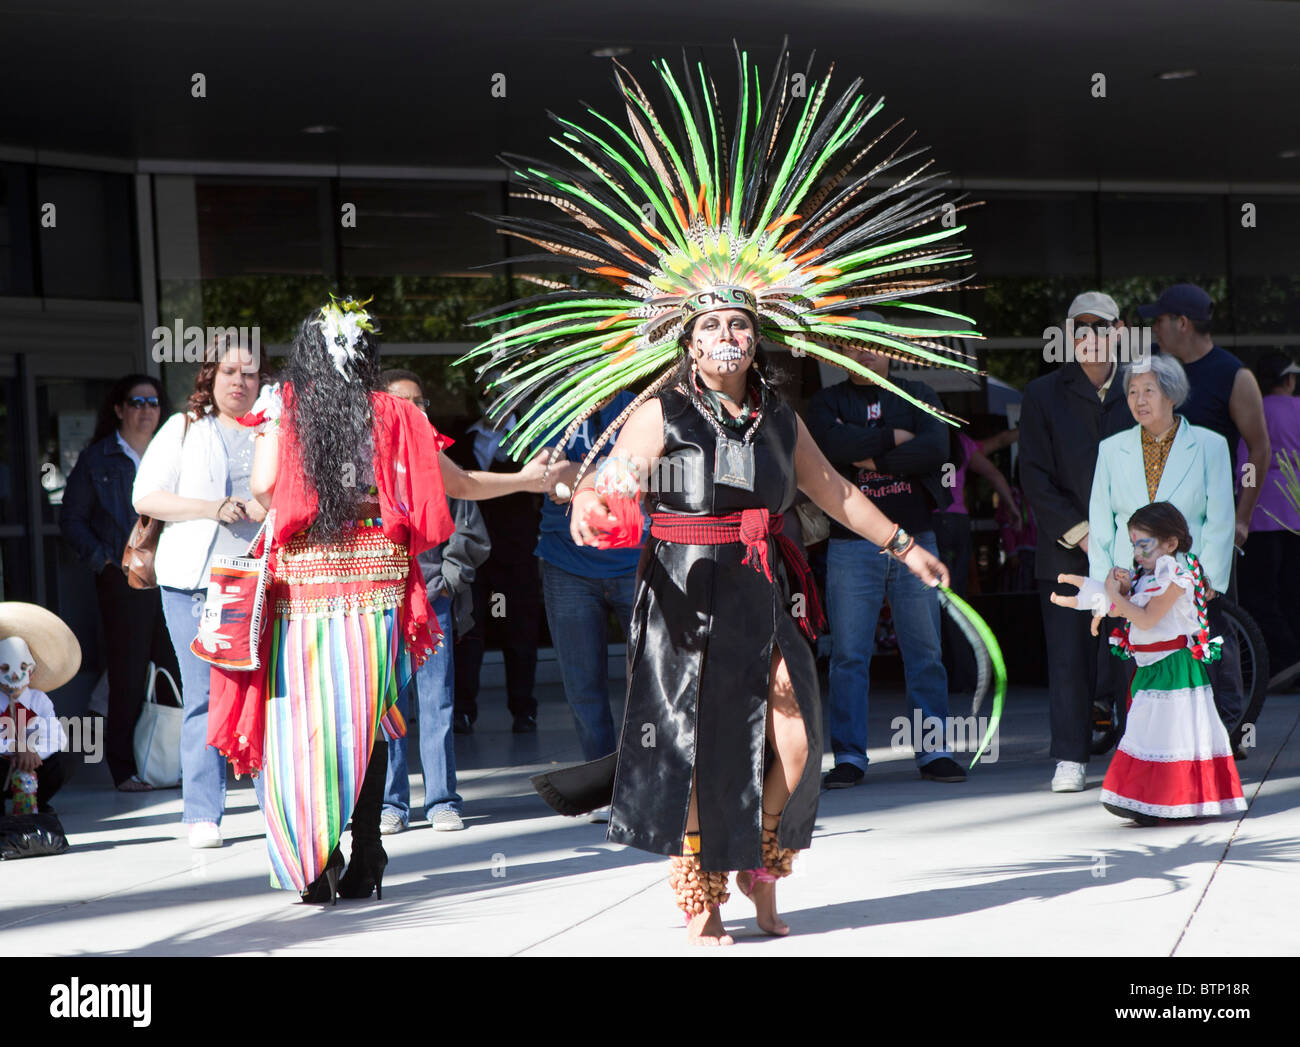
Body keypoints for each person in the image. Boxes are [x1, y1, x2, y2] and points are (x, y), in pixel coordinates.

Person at [465, 46, 976, 945]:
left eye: (740, 322)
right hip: (680, 589)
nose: (729, 335)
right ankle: (707, 894)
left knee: (793, 735)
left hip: (756, 589)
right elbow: (614, 480)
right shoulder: (661, 410)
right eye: (712, 326)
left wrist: (906, 546)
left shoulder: (782, 417)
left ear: (756, 336)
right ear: (690, 344)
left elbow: (834, 494)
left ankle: (764, 860)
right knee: (698, 750)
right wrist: (592, 501)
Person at [233, 298, 548, 904]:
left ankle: (320, 856)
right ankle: (368, 851)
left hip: (304, 588)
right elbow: (455, 485)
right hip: (375, 582)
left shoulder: (286, 410)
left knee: (308, 721)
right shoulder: (396, 414)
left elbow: (265, 489)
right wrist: (528, 479)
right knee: (369, 716)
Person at [806, 334, 968, 786]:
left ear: (891, 351)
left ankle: (933, 750)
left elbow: (936, 449)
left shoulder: (919, 396)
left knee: (926, 653)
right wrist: (894, 442)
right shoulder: (825, 402)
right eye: (852, 346)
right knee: (848, 656)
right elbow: (828, 452)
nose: (862, 353)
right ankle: (850, 759)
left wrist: (868, 456)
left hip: (919, 539)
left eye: (872, 345)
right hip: (850, 543)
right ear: (839, 354)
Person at [132, 334, 265, 848]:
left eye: (250, 373)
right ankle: (202, 813)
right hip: (195, 583)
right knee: (204, 698)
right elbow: (147, 495)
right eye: (229, 372)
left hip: (259, 580)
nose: (239, 381)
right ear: (209, 377)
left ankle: (275, 800)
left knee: (263, 692)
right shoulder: (184, 427)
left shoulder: (275, 430)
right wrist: (211, 507)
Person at [1053, 503, 1246, 823]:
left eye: (1144, 544)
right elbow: (1122, 609)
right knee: (1146, 735)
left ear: (1171, 544)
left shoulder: (1176, 577)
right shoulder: (1147, 578)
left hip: (1174, 670)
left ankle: (1166, 800)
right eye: (1133, 545)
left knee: (1167, 736)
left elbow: (1146, 617)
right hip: (1151, 668)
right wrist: (1095, 595)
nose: (1137, 552)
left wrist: (1115, 595)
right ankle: (1142, 798)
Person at [1140, 283, 1269, 736]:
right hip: (1156, 525)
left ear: (1182, 323)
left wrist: (1242, 516)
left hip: (1211, 523)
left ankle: (1230, 729)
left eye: (1158, 321)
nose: (1153, 330)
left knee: (1215, 622)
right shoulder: (1155, 374)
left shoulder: (1234, 375)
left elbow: (1259, 449)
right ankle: (1172, 731)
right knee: (1157, 620)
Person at [1020, 292, 1136, 793]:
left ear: (1118, 332)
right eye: (1080, 327)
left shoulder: (1139, 388)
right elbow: (1035, 477)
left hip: (1135, 550)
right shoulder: (1043, 393)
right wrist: (1086, 536)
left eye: (1100, 326)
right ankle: (1071, 756)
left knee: (1132, 654)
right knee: (1070, 656)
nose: (1089, 336)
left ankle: (1137, 754)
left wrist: (1135, 540)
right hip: (1069, 549)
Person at [378, 369, 490, 835]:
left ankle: (442, 799)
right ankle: (391, 804)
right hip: (381, 600)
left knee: (438, 702)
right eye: (404, 403)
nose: (416, 411)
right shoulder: (366, 466)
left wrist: (445, 581)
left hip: (433, 599)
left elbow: (472, 535)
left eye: (420, 402)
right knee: (388, 706)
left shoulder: (441, 461)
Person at [61, 374, 182, 792]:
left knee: (175, 667)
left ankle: (170, 761)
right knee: (128, 673)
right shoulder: (98, 459)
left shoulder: (173, 451)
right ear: (119, 408)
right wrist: (107, 563)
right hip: (124, 580)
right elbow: (71, 521)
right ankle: (123, 768)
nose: (146, 409)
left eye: (153, 402)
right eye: (137, 401)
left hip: (176, 575)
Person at [1088, 353, 1235, 671]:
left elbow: (1220, 520)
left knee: (1192, 677)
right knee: (1134, 680)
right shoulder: (1111, 449)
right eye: (1132, 391)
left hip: (1186, 580)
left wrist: (1207, 579)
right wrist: (1105, 583)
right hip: (1129, 581)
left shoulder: (1211, 445)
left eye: (1148, 390)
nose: (1139, 400)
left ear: (1170, 394)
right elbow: (1101, 521)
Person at [536, 389, 642, 822]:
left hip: (635, 559)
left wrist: (580, 476)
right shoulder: (552, 407)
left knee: (650, 683)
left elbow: (647, 473)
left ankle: (643, 782)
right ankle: (604, 792)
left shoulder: (641, 406)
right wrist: (604, 473)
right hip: (567, 564)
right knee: (584, 686)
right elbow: (550, 480)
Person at [445, 410, 544, 734]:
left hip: (516, 554)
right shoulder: (462, 438)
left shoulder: (531, 436)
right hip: (472, 555)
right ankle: (463, 711)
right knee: (469, 633)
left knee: (520, 634)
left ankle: (523, 709)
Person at [1236, 352, 1300, 684]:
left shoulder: (1256, 410)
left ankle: (1285, 658)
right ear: (1289, 380)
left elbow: (1247, 464)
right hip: (1297, 513)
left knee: (1261, 593)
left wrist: (1241, 497)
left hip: (1261, 516)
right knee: (1294, 590)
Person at [0, 603, 82, 816]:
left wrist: (34, 752)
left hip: (34, 766)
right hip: (3, 767)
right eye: (5, 668)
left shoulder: (40, 701)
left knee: (66, 756)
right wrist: (15, 747)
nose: (14, 677)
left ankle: (39, 801)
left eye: (21, 668)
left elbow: (55, 736)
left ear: (32, 672)